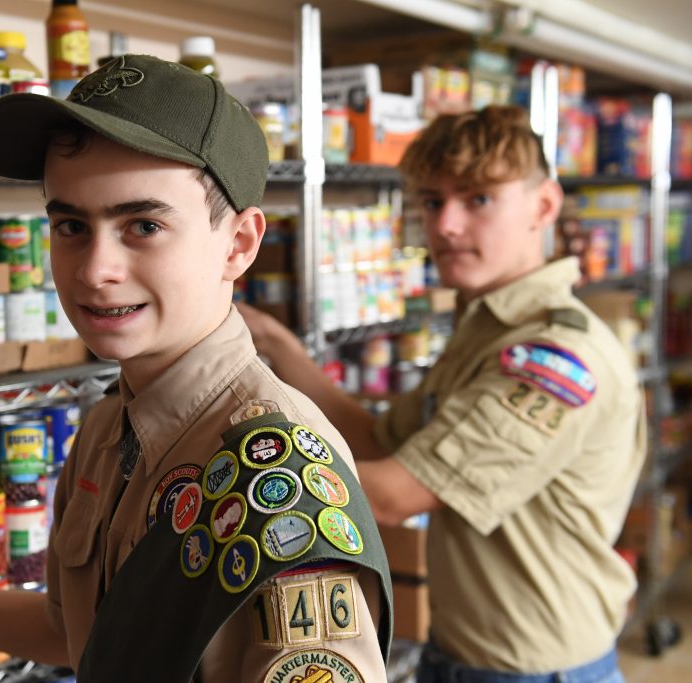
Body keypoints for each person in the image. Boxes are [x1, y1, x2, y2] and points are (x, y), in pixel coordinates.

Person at [0, 54, 393, 683]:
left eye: (143, 225)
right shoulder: (108, 431)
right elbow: (74, 634)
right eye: (71, 225)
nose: (92, 270)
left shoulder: (279, 476)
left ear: (239, 245)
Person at [238, 105, 645, 682]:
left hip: (536, 672)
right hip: (457, 656)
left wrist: (227, 457)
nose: (446, 224)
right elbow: (379, 442)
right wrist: (276, 346)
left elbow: (391, 498)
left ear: (544, 206)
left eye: (477, 199)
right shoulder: (486, 330)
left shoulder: (553, 357)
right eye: (433, 202)